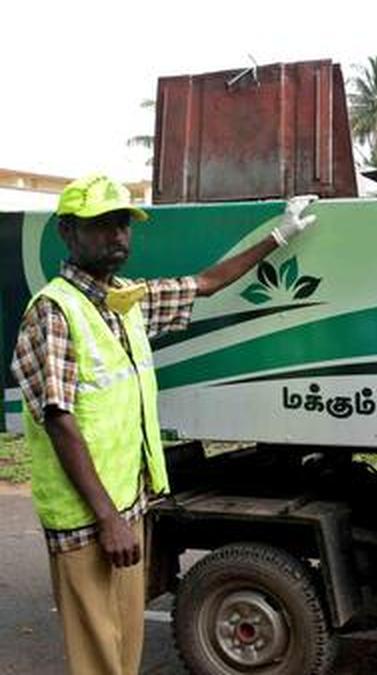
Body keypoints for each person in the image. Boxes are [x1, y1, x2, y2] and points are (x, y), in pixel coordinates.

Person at [9, 174, 319, 675]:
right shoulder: (54, 311)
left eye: (124, 226)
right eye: (103, 225)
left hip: (126, 503)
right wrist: (107, 517)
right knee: (98, 655)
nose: (118, 237)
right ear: (68, 232)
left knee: (126, 644)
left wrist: (279, 235)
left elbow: (205, 283)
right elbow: (59, 419)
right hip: (88, 516)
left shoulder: (124, 301)